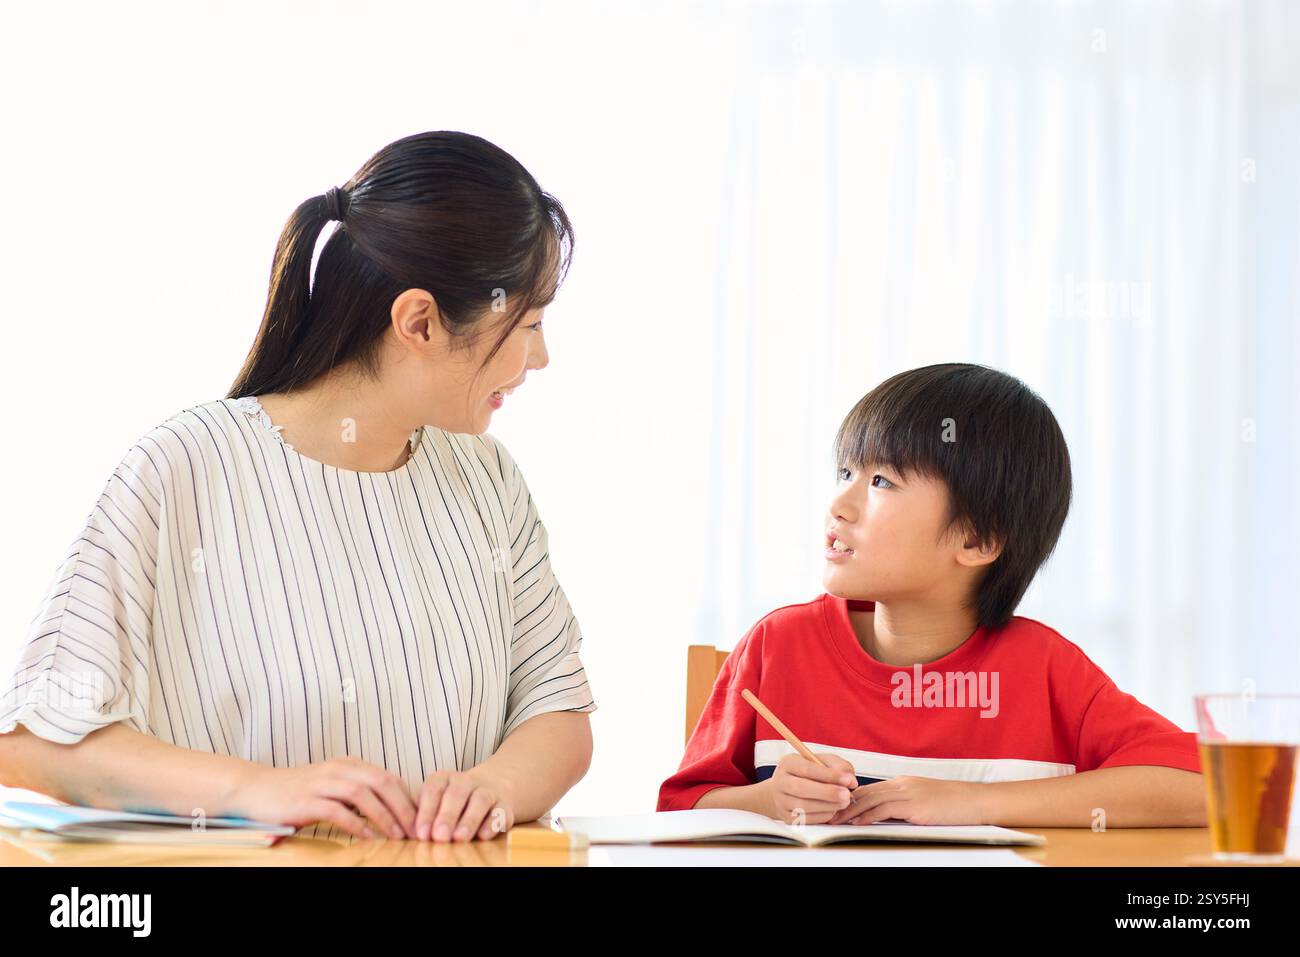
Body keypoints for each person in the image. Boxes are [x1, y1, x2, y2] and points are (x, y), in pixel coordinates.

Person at [0, 131, 596, 843]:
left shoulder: (490, 481)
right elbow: (32, 743)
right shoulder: (184, 466)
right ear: (420, 322)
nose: (541, 356)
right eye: (526, 323)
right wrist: (260, 791)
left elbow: (557, 711)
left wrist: (490, 787)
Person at [658, 363, 1205, 828]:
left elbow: (1204, 789)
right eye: (846, 471)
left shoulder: (1046, 671)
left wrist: (974, 803)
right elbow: (679, 810)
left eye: (881, 483)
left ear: (976, 539)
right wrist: (767, 802)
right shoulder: (776, 647)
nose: (839, 505)